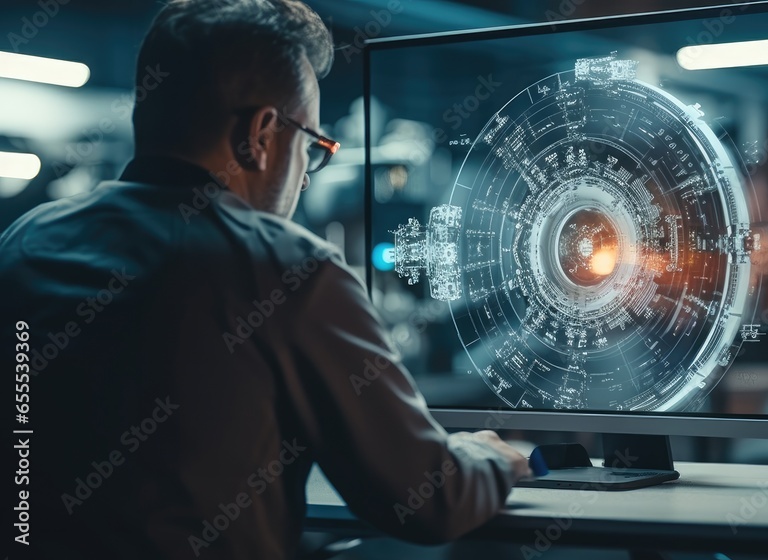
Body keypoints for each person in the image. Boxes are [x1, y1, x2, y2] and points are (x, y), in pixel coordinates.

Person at [0, 1, 530, 558]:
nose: (305, 175)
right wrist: (489, 456)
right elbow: (428, 500)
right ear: (259, 135)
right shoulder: (286, 267)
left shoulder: (27, 243)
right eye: (312, 146)